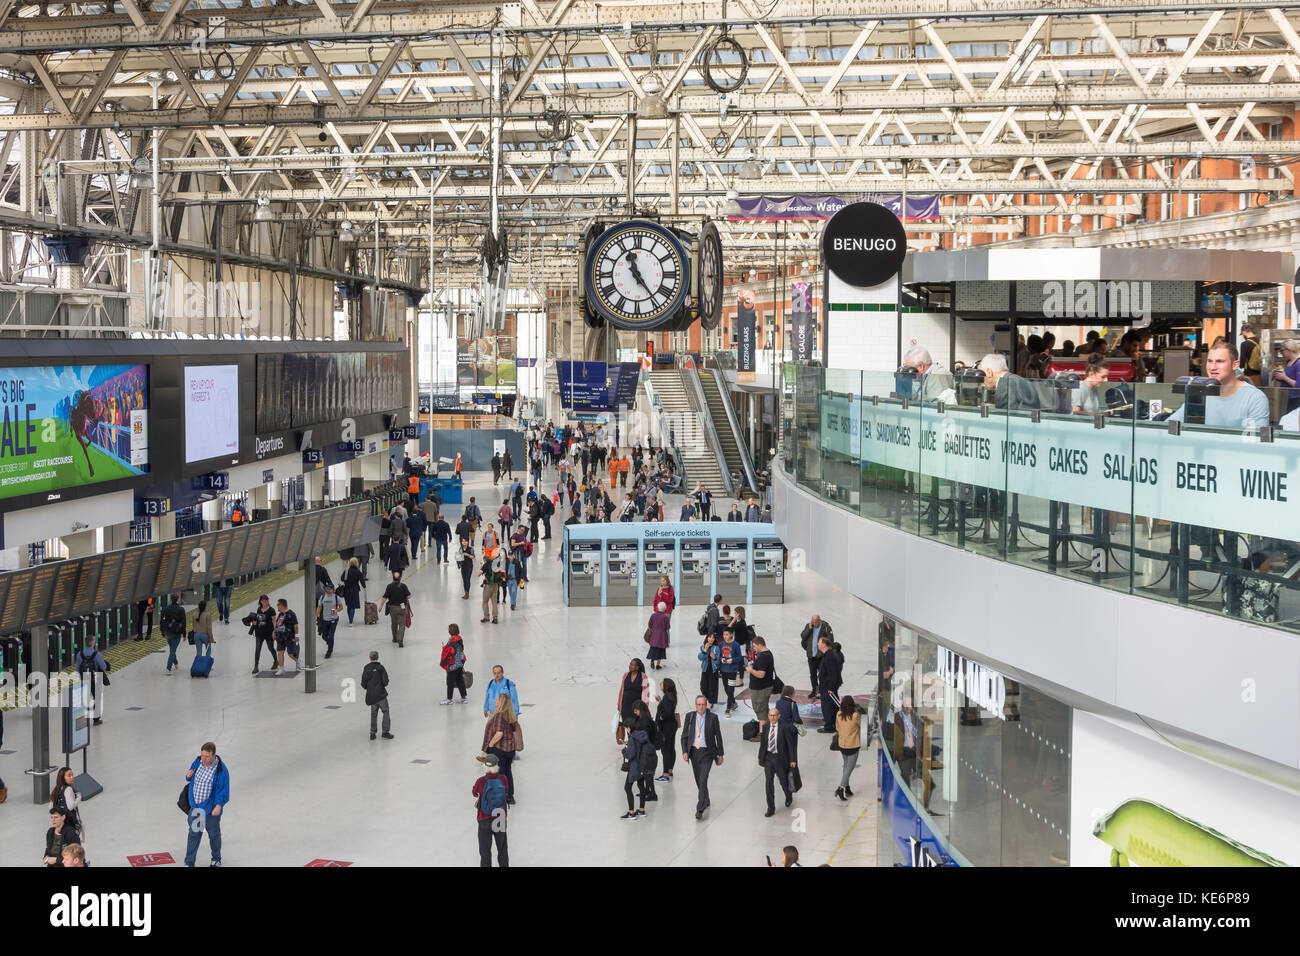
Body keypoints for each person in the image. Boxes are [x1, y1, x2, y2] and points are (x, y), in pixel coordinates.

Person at [1169, 340, 1271, 427]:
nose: (1213, 367)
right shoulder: (1199, 393)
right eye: (1209, 361)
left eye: (1220, 361)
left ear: (1235, 365)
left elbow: (1256, 440)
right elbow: (1170, 424)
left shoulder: (1255, 398)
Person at [183, 742, 230, 867]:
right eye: (202, 755)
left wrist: (219, 805)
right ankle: (189, 862)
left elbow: (223, 790)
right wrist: (188, 775)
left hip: (210, 810)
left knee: (214, 835)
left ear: (214, 755)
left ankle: (216, 859)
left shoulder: (221, 770)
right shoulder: (198, 761)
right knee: (194, 835)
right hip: (196, 808)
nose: (203, 759)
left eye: (207, 756)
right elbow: (190, 773)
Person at [680, 695, 724, 819]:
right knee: (699, 780)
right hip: (694, 752)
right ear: (696, 706)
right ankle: (706, 798)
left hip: (707, 753)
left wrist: (720, 754)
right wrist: (685, 751)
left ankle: (700, 808)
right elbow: (684, 736)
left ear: (706, 705)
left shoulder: (713, 718)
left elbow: (718, 737)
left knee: (703, 779)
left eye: (703, 704)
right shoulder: (690, 717)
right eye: (699, 705)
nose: (701, 707)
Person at [482, 694, 523, 805]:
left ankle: (501, 796)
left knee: (500, 773)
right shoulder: (510, 715)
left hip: (500, 749)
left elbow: (499, 733)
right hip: (510, 750)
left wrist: (490, 744)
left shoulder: (500, 716)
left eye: (497, 699)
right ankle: (510, 796)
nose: (495, 700)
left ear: (501, 703)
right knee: (507, 772)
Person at [758, 707, 797, 817]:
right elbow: (763, 744)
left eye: (774, 715)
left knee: (783, 782)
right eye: (770, 715)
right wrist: (760, 757)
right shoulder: (765, 727)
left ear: (779, 716)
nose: (772, 717)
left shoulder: (784, 728)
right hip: (769, 758)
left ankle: (788, 796)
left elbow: (790, 745)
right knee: (768, 783)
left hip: (781, 759)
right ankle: (771, 807)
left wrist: (793, 759)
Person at [472, 754, 509, 868]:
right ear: (496, 765)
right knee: (502, 848)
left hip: (484, 818)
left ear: (485, 766)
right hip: (499, 817)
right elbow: (506, 791)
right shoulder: (503, 779)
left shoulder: (480, 781)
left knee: (485, 850)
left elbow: (474, 793)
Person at [620, 715, 656, 819]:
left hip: (635, 767)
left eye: (626, 727)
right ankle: (641, 810)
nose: (626, 729)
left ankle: (631, 812)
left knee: (627, 787)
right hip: (643, 766)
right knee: (641, 787)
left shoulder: (632, 738)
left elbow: (630, 754)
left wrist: (624, 751)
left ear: (629, 728)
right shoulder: (641, 735)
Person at [74, 639, 109, 725]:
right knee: (97, 697)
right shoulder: (97, 654)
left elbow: (77, 669)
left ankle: (81, 719)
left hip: (84, 678)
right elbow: (103, 667)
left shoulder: (80, 654)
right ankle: (96, 720)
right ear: (93, 643)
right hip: (95, 678)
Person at [834, 695, 862, 801]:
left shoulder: (838, 714)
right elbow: (862, 726)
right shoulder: (855, 715)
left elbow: (837, 727)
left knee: (846, 767)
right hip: (853, 745)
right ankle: (840, 788)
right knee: (849, 768)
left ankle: (847, 788)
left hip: (842, 744)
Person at [616, 658, 652, 740]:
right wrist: (619, 703)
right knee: (627, 726)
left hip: (636, 707)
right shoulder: (625, 675)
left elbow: (646, 694)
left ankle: (635, 744)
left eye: (633, 665)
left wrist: (643, 708)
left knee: (636, 726)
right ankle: (631, 743)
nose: (630, 666)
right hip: (625, 706)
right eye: (630, 664)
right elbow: (622, 690)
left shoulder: (643, 676)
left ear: (637, 667)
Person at [361, 650, 393, 740]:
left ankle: (372, 733)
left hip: (371, 696)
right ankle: (385, 732)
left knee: (373, 714)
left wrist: (370, 688)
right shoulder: (381, 668)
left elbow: (363, 683)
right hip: (381, 695)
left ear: (370, 658)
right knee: (385, 711)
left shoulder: (366, 668)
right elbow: (385, 682)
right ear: (377, 657)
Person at [800, 614, 832, 697]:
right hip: (811, 655)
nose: (814, 623)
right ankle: (814, 690)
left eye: (816, 622)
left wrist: (825, 651)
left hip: (821, 655)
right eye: (813, 621)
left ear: (819, 620)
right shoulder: (809, 626)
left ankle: (822, 691)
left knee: (822, 674)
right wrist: (809, 629)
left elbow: (830, 639)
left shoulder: (825, 626)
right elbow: (803, 636)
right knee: (813, 674)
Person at [654, 677, 679, 784]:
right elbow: (667, 707)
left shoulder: (667, 698)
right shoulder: (670, 697)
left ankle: (665, 775)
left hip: (667, 727)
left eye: (662, 683)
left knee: (666, 750)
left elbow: (668, 712)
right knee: (671, 748)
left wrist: (660, 717)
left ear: (666, 686)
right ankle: (669, 771)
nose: (660, 684)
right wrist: (660, 701)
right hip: (671, 726)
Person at [745, 635, 776, 721]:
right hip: (763, 688)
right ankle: (767, 729)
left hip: (760, 690)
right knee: (764, 710)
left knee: (761, 712)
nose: (754, 649)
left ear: (760, 645)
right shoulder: (767, 654)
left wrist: (751, 670)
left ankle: (762, 732)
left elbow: (761, 674)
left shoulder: (764, 657)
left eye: (754, 646)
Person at [816, 636, 844, 733]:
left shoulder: (829, 656)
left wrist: (831, 687)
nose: (817, 644)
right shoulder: (829, 654)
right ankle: (833, 724)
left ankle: (829, 727)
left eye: (819, 642)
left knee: (827, 707)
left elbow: (833, 673)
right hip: (828, 686)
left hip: (828, 687)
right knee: (832, 706)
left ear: (824, 644)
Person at [378, 570, 412, 647]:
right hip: (402, 607)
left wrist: (380, 606)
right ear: (400, 578)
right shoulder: (403, 586)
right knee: (402, 624)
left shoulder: (389, 586)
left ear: (393, 578)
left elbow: (384, 597)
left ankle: (395, 638)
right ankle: (400, 639)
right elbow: (409, 596)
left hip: (392, 608)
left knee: (394, 624)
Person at [716, 627, 744, 716]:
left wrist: (733, 660)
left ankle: (728, 709)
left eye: (727, 634)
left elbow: (739, 658)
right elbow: (719, 656)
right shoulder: (721, 644)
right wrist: (721, 659)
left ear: (731, 634)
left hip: (732, 671)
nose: (725, 636)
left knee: (730, 690)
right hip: (724, 671)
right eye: (724, 634)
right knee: (726, 689)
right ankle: (734, 703)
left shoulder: (736, 645)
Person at [893, 696, 921, 782]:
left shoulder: (916, 717)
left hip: (914, 750)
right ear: (902, 705)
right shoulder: (896, 717)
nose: (908, 707)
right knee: (905, 775)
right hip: (903, 750)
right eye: (906, 705)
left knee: (916, 773)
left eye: (910, 705)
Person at [440, 625, 469, 704]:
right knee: (460, 680)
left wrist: (444, 648)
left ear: (450, 631)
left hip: (453, 665)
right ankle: (464, 698)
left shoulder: (452, 641)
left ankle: (449, 699)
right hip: (460, 663)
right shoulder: (459, 639)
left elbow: (450, 652)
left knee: (450, 682)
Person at [50, 767, 83, 834]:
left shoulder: (56, 789)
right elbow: (70, 807)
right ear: (63, 778)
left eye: (72, 775)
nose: (72, 777)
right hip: (69, 821)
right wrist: (79, 797)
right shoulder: (68, 789)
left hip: (59, 823)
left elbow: (50, 807)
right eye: (69, 775)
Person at [161, 593, 187, 675]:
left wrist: (162, 631)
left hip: (168, 632)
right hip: (177, 633)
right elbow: (183, 622)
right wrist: (184, 634)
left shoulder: (165, 609)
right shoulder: (181, 610)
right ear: (178, 599)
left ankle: (175, 663)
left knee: (172, 649)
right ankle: (168, 668)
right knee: (173, 650)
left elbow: (162, 621)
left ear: (170, 599)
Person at [273, 598, 301, 675]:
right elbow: (277, 624)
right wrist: (274, 632)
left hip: (289, 637)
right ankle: (281, 669)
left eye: (278, 604)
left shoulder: (291, 614)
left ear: (282, 605)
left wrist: (297, 636)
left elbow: (296, 626)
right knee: (280, 652)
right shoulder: (280, 614)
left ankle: (298, 660)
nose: (277, 606)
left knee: (290, 654)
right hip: (280, 637)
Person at [316, 583, 342, 659]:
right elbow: (319, 607)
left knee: (331, 636)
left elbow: (341, 607)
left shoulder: (336, 598)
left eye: (330, 589)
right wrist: (315, 616)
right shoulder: (322, 597)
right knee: (324, 636)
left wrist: (336, 610)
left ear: (333, 589)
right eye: (327, 589)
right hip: (324, 619)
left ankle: (329, 651)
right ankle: (330, 643)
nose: (328, 590)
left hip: (333, 619)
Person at [479, 547, 504, 623]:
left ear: (485, 560)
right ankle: (495, 618)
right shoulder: (496, 563)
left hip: (488, 586)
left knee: (485, 602)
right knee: (494, 603)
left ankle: (486, 617)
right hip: (496, 585)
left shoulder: (486, 565)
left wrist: (480, 566)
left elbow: (479, 574)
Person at [645, 601, 672, 670]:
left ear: (658, 607)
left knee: (653, 648)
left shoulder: (653, 615)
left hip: (654, 635)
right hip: (662, 636)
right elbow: (668, 627)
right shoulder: (665, 617)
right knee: (661, 650)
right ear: (664, 609)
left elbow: (649, 624)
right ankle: (658, 665)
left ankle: (652, 660)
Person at [340, 557, 366, 626]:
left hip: (346, 590)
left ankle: (349, 619)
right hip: (354, 590)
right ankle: (351, 621)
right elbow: (362, 582)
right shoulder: (358, 572)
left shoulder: (346, 570)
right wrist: (364, 586)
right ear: (357, 563)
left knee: (349, 605)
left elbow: (342, 579)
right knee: (353, 606)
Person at [698, 631, 720, 708]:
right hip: (705, 669)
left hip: (713, 670)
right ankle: (708, 698)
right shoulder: (702, 647)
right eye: (710, 637)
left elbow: (718, 661)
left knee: (712, 687)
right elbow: (700, 658)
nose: (711, 639)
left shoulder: (716, 648)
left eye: (713, 637)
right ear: (707, 638)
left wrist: (715, 658)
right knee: (703, 687)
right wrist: (705, 650)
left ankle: (711, 702)